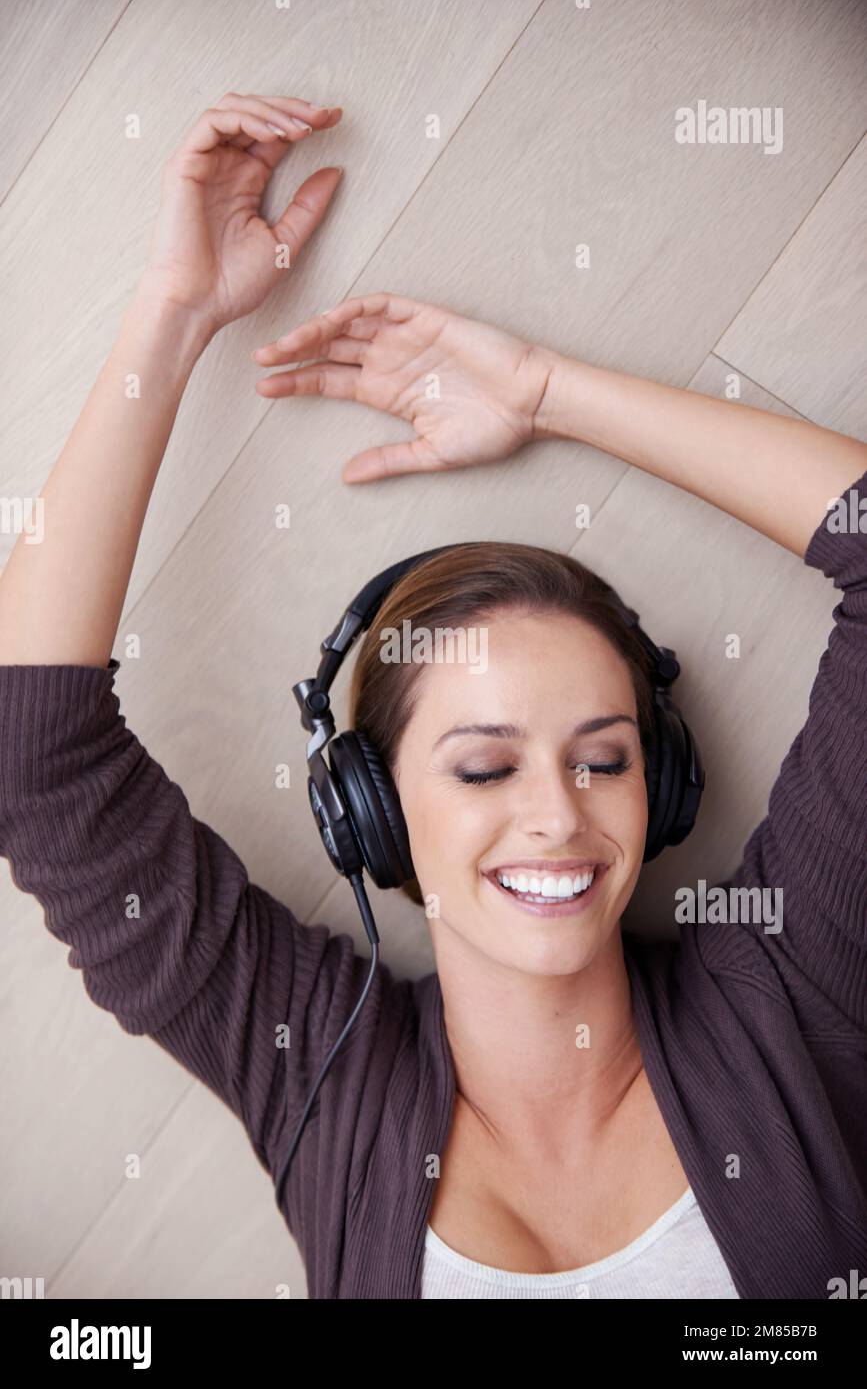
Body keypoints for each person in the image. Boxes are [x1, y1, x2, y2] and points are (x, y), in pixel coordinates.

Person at [1, 93, 865, 1301]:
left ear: (662, 785)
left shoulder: (788, 992)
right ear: (371, 809)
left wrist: (547, 388)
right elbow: (32, 758)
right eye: (482, 765)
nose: (560, 816)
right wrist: (174, 311)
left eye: (604, 757)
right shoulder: (318, 1070)